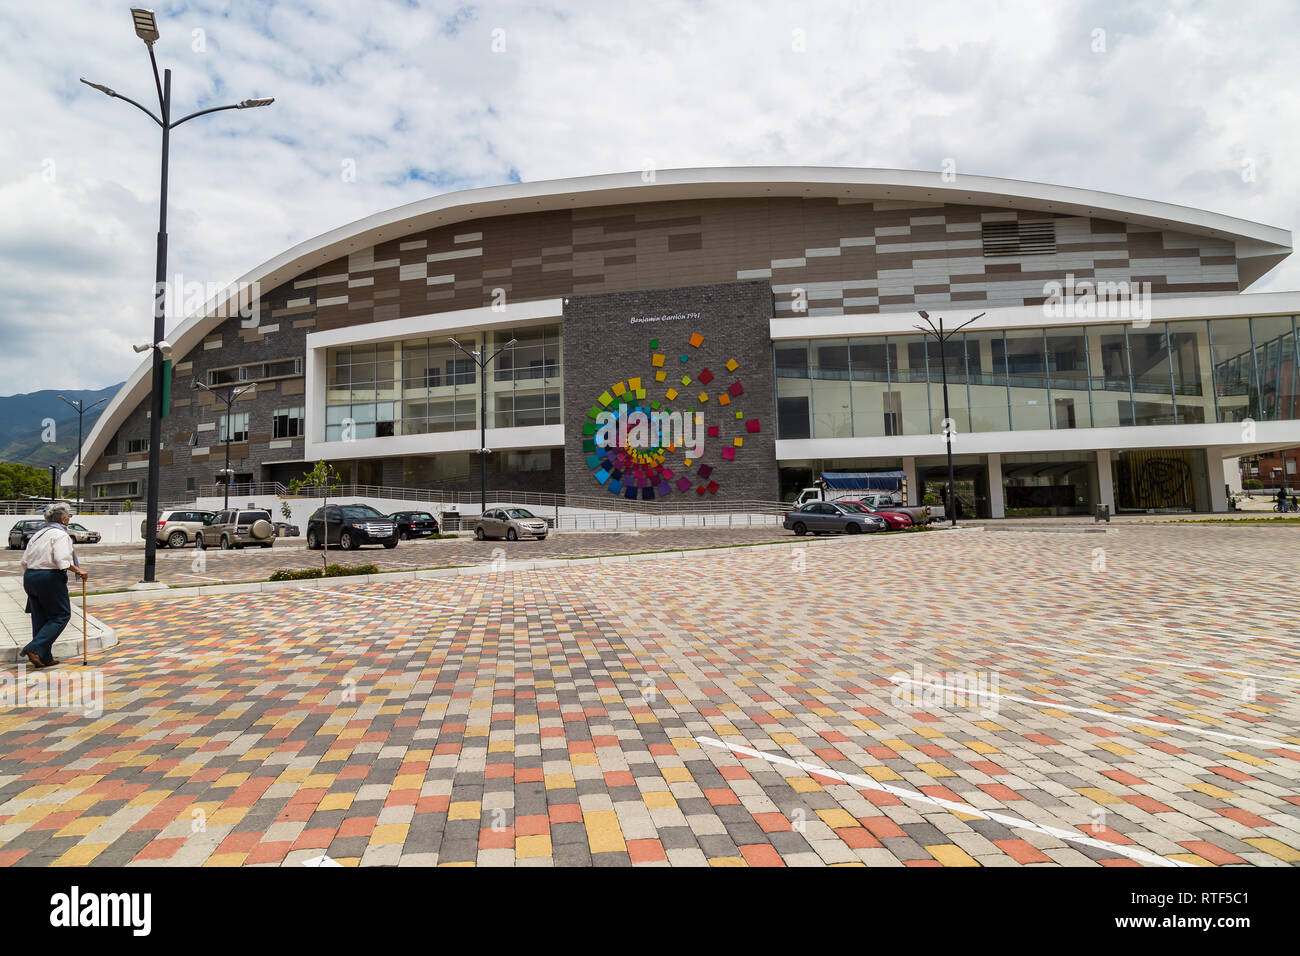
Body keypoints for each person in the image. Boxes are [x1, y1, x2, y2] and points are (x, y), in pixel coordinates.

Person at [19, 503, 89, 669]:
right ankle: (33, 648)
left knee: (40, 618)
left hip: (30, 576)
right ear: (63, 519)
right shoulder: (60, 535)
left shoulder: (37, 534)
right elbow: (61, 560)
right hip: (49, 577)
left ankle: (44, 657)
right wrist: (78, 570)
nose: (69, 519)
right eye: (69, 517)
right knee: (61, 615)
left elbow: (24, 561)